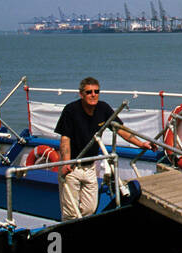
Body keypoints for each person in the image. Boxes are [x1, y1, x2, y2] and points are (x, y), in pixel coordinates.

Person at [54, 77, 150, 220]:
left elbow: (121, 130)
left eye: (96, 91)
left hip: (90, 167)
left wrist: (141, 144)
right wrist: (66, 163)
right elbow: (65, 139)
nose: (93, 95)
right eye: (89, 92)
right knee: (71, 212)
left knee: (90, 208)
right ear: (81, 94)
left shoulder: (103, 108)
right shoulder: (71, 110)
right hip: (72, 167)